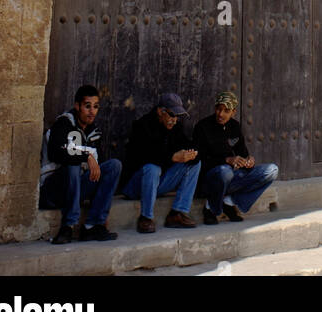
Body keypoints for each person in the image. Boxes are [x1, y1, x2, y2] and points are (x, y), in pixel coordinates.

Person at [39, 83, 121, 245]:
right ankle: (68, 226)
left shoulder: (94, 132)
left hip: (77, 189)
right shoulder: (63, 124)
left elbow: (97, 169)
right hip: (53, 189)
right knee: (73, 164)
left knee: (114, 166)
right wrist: (86, 156)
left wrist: (90, 160)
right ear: (77, 106)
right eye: (87, 106)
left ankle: (92, 225)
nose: (92, 112)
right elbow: (57, 153)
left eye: (96, 107)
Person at [194, 90, 279, 224]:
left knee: (272, 170)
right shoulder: (202, 127)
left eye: (226, 111)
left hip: (231, 177)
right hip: (210, 179)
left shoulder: (235, 126)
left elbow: (243, 152)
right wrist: (226, 160)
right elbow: (198, 160)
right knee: (224, 171)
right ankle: (210, 208)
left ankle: (230, 202)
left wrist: (248, 161)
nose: (220, 114)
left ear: (233, 112)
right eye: (218, 109)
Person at [120, 92, 201, 233]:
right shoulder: (142, 126)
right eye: (171, 115)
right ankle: (146, 217)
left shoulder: (175, 127)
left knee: (194, 164)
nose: (174, 120)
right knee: (152, 168)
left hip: (158, 184)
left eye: (177, 116)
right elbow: (144, 157)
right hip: (136, 186)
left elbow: (188, 144)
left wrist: (191, 154)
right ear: (160, 111)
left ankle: (177, 213)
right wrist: (173, 157)